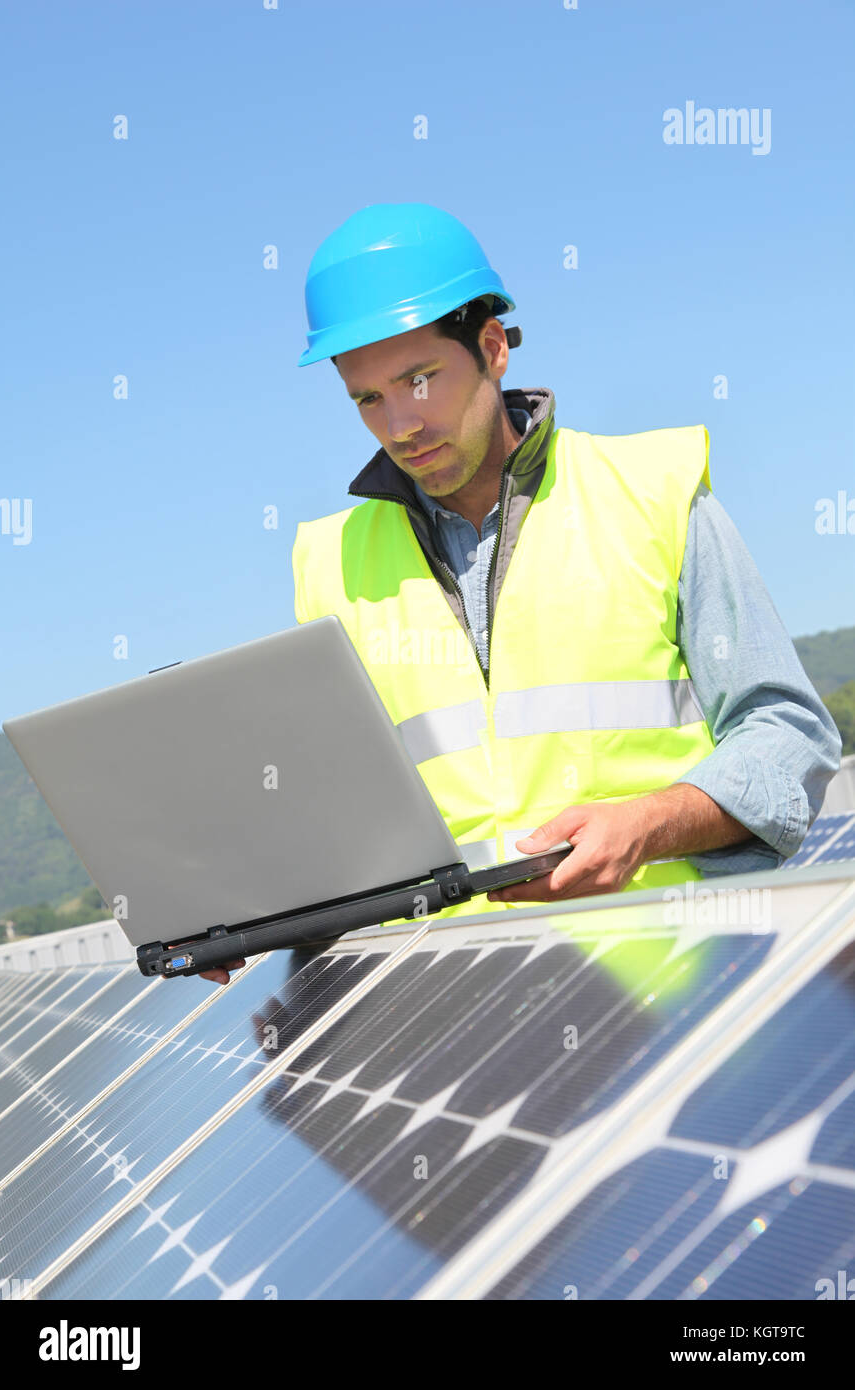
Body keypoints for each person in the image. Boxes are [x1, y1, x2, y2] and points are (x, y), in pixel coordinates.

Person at [199, 201, 841, 984]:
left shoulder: (651, 491)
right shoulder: (327, 564)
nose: (400, 424)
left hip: (682, 992)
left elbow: (788, 735)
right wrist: (243, 908)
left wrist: (645, 824)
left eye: (420, 378)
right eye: (368, 398)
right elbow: (337, 823)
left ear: (493, 347)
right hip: (451, 1012)